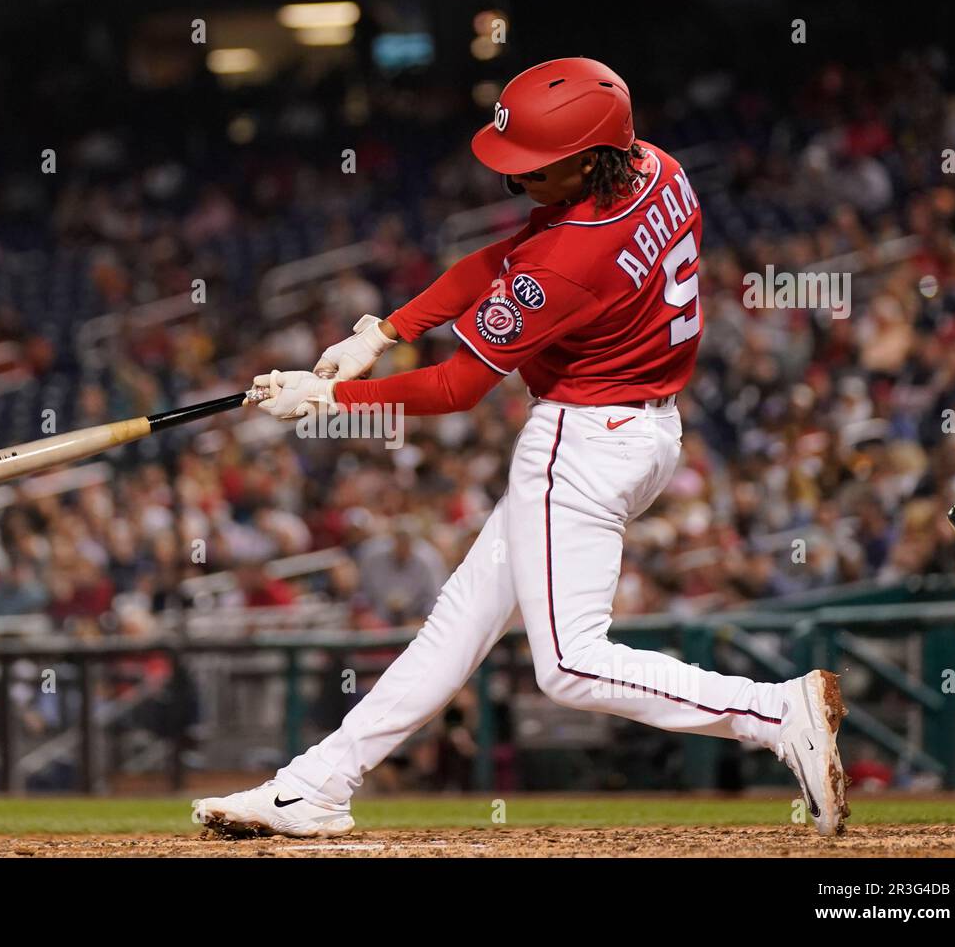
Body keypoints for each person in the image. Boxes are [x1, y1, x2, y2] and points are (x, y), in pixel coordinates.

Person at [193, 58, 849, 839]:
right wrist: (384, 330)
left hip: (582, 440)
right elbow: (496, 261)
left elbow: (456, 389)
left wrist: (331, 398)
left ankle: (777, 712)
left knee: (569, 666)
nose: (515, 181)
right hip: (640, 429)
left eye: (532, 169)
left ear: (588, 158)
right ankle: (316, 786)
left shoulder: (573, 258)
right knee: (458, 625)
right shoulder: (656, 169)